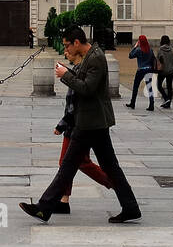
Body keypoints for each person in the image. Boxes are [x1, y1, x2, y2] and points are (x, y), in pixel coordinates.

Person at [21, 26, 141, 224]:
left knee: (68, 167)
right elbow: (83, 83)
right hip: (92, 122)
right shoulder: (90, 57)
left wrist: (65, 75)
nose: (65, 47)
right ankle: (130, 207)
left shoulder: (96, 58)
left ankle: (44, 208)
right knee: (109, 167)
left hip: (90, 123)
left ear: (77, 42)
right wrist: (69, 73)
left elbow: (88, 88)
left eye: (67, 44)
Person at [51, 46, 114, 212]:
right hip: (78, 125)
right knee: (78, 163)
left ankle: (113, 182)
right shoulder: (77, 71)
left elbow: (74, 104)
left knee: (72, 163)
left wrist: (61, 125)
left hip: (78, 126)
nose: (65, 52)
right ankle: (64, 201)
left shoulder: (80, 72)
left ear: (77, 51)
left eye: (67, 48)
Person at [125, 34, 156, 111]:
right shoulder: (150, 50)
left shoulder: (139, 50)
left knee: (136, 86)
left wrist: (135, 47)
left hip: (141, 70)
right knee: (149, 87)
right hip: (149, 69)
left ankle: (133, 103)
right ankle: (151, 104)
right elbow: (153, 59)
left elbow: (130, 56)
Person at [155, 35, 173, 109]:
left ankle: (166, 99)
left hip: (162, 70)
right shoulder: (172, 49)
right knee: (169, 87)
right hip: (171, 71)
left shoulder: (160, 50)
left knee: (159, 85)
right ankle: (168, 103)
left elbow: (158, 60)